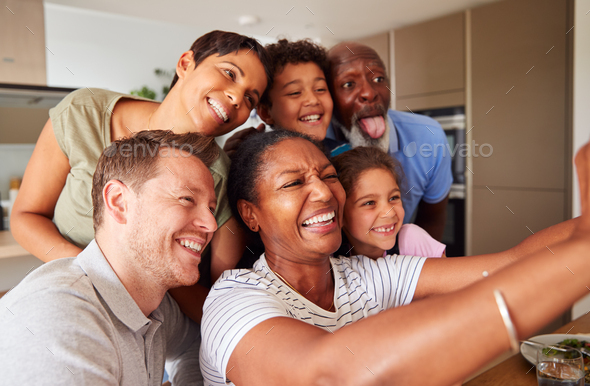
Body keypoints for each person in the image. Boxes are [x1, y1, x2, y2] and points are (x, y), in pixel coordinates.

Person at [199, 129, 587, 386]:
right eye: (294, 182)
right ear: (251, 214)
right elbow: (327, 375)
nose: (323, 192)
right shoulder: (233, 299)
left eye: (329, 175)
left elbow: (506, 265)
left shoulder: (364, 276)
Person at [10, 30, 271, 290]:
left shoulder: (222, 177)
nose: (237, 98)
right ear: (185, 64)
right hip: (67, 290)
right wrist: (93, 272)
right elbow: (26, 217)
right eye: (229, 73)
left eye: (250, 98)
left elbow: (216, 296)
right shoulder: (82, 113)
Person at [0, 131, 219, 384]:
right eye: (187, 199)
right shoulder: (58, 321)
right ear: (119, 202)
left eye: (211, 209)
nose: (211, 224)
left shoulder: (158, 307)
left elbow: (193, 345)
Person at [326, 42, 452, 241]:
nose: (369, 93)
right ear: (328, 96)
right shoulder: (316, 146)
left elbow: (432, 220)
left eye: (378, 79)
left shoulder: (429, 136)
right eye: (348, 84)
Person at [223, 38, 350, 158]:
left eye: (320, 89)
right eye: (295, 92)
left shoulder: (349, 155)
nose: (313, 100)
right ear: (266, 112)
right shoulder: (258, 165)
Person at [332, 146, 445, 259]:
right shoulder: (329, 253)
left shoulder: (411, 240)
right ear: (340, 214)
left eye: (393, 198)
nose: (389, 213)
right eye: (369, 203)